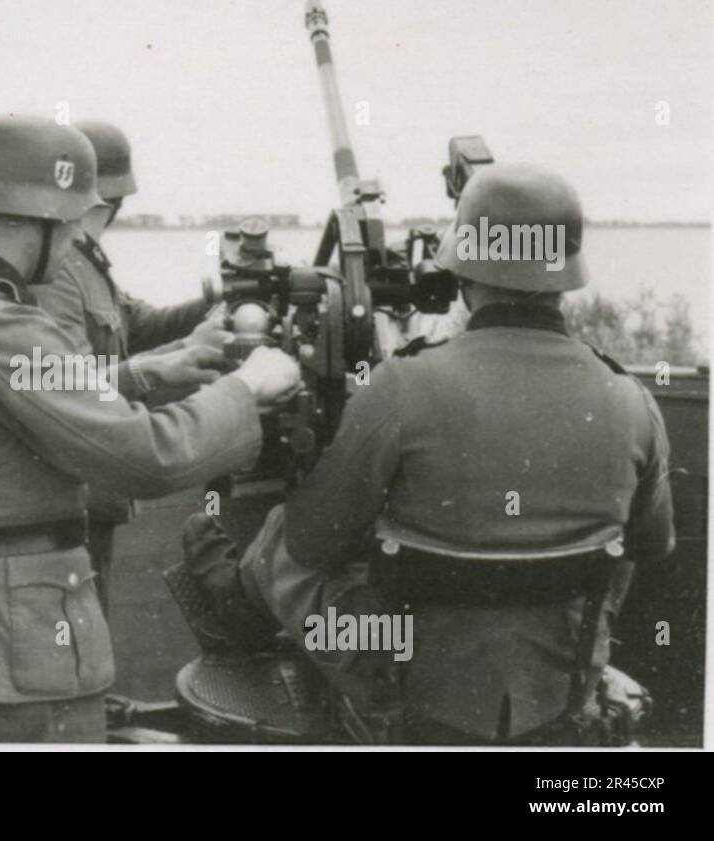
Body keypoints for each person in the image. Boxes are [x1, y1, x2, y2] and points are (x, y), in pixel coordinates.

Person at [185, 163, 674, 745]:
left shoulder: (401, 385)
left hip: (407, 686)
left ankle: (234, 613)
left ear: (464, 272)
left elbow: (316, 543)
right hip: (559, 690)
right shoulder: (632, 401)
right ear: (566, 276)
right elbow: (652, 545)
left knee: (283, 538)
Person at [0, 114, 299, 743]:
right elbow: (145, 455)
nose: (81, 233)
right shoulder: (2, 329)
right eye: (72, 218)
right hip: (11, 648)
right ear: (31, 216)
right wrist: (248, 388)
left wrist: (158, 368)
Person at [36, 120, 228, 611]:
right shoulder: (59, 274)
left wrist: (214, 303)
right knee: (80, 611)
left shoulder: (87, 262)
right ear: (114, 198)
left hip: (97, 484)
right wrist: (173, 361)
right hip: (77, 483)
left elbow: (136, 323)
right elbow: (70, 386)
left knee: (89, 608)